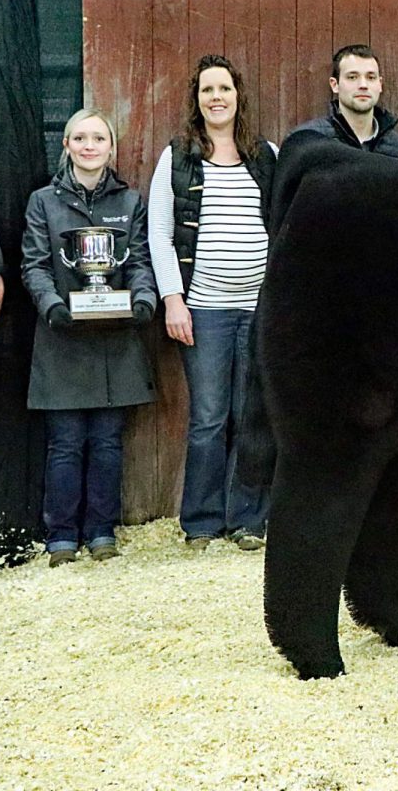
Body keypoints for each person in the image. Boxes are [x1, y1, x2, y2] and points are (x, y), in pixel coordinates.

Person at [148, 54, 278, 551]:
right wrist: (173, 300)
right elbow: (160, 236)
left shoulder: (266, 155)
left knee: (251, 417)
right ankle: (201, 522)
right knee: (208, 418)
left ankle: (247, 520)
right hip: (203, 309)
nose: (217, 97)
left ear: (238, 96)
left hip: (257, 309)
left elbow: (283, 226)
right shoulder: (178, 157)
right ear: (196, 100)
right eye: (207, 90)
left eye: (224, 88)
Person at [23, 109, 157, 567]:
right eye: (79, 137)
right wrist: (52, 306)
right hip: (62, 338)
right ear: (66, 145)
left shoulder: (130, 201)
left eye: (98, 138)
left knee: (106, 443)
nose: (89, 146)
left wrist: (144, 299)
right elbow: (34, 264)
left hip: (115, 342)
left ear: (111, 147)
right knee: (64, 444)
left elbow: (139, 261)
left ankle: (102, 532)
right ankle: (61, 536)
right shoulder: (43, 201)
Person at [290, 44, 398, 156]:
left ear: (380, 84)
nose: (363, 85)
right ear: (335, 85)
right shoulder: (306, 140)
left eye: (371, 77)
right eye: (352, 77)